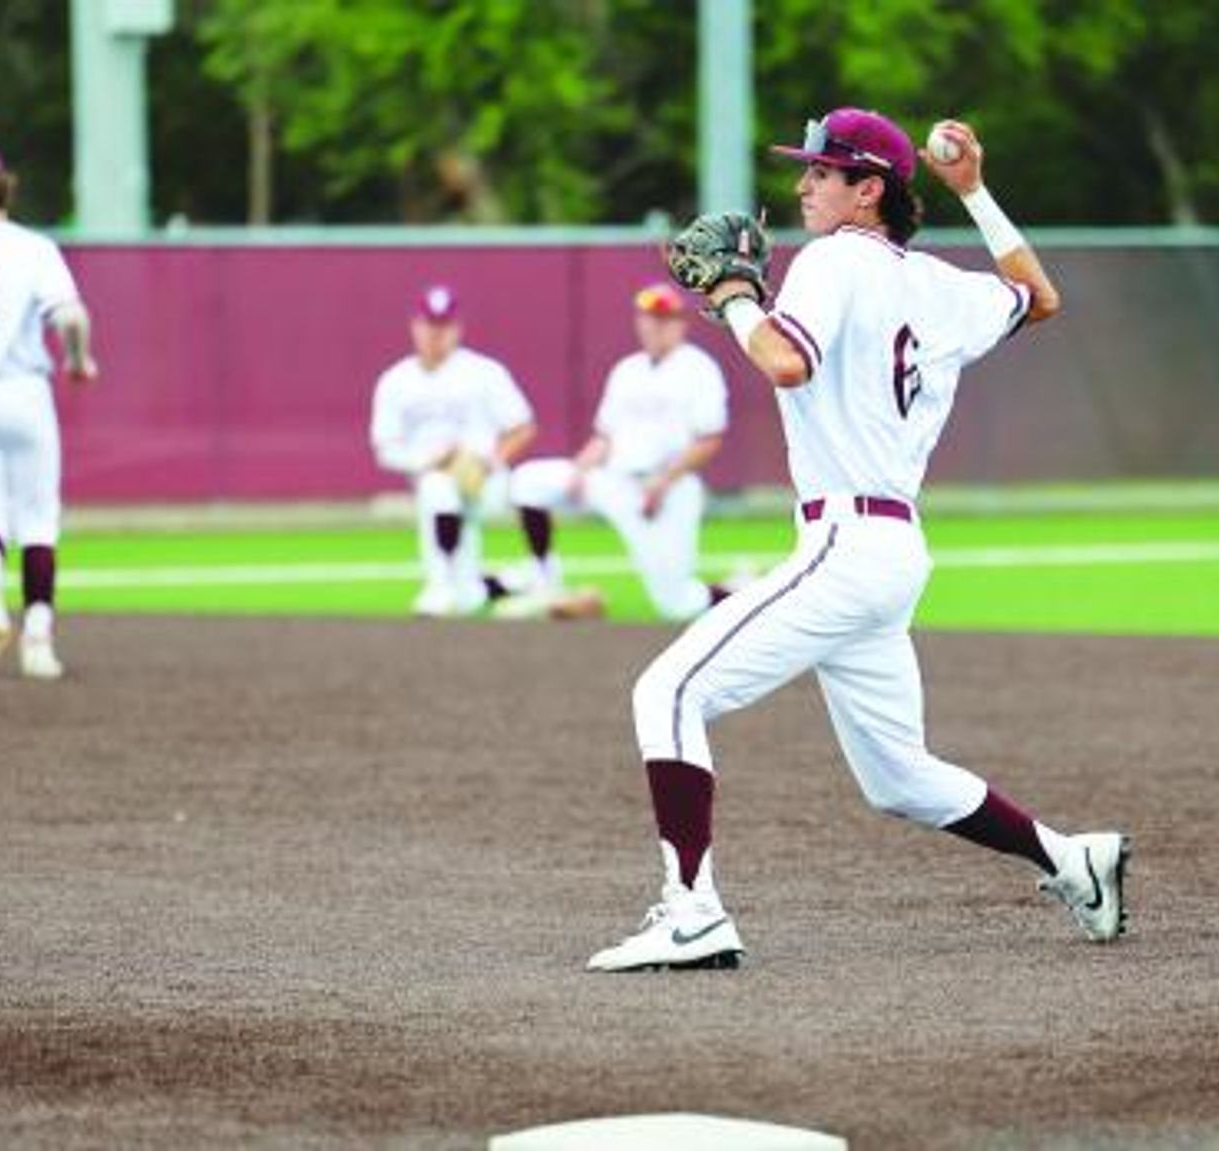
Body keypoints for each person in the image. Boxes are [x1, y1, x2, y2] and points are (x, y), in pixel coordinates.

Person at [587, 110, 1130, 972]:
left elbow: (786, 361)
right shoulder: (943, 286)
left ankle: (692, 912)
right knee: (900, 777)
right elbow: (1041, 295)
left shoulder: (834, 259)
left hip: (844, 540)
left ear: (868, 190)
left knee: (669, 693)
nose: (803, 185)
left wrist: (732, 298)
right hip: (892, 548)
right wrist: (976, 191)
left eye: (822, 172)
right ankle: (1075, 859)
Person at [506, 282, 742, 622]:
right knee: (528, 481)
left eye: (663, 318)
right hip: (613, 481)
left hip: (668, 489)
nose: (654, 325)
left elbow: (710, 439)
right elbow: (605, 436)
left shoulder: (698, 368)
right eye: (648, 317)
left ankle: (739, 591)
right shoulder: (628, 369)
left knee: (676, 604)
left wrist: (662, 483)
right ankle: (545, 579)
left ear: (680, 323)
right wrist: (580, 470)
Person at [369, 285, 543, 617]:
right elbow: (384, 448)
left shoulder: (483, 372)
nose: (436, 334)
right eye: (429, 325)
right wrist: (427, 460)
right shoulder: (396, 380)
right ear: (415, 326)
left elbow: (523, 426)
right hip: (432, 478)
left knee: (440, 490)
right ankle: (509, 582)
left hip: (484, 480)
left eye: (444, 326)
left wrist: (490, 461)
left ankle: (441, 587)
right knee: (469, 600)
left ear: (456, 328)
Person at [0, 150, 98, 680]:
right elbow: (72, 317)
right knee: (38, 519)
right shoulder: (34, 249)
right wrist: (79, 361)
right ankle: (38, 637)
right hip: (24, 393)